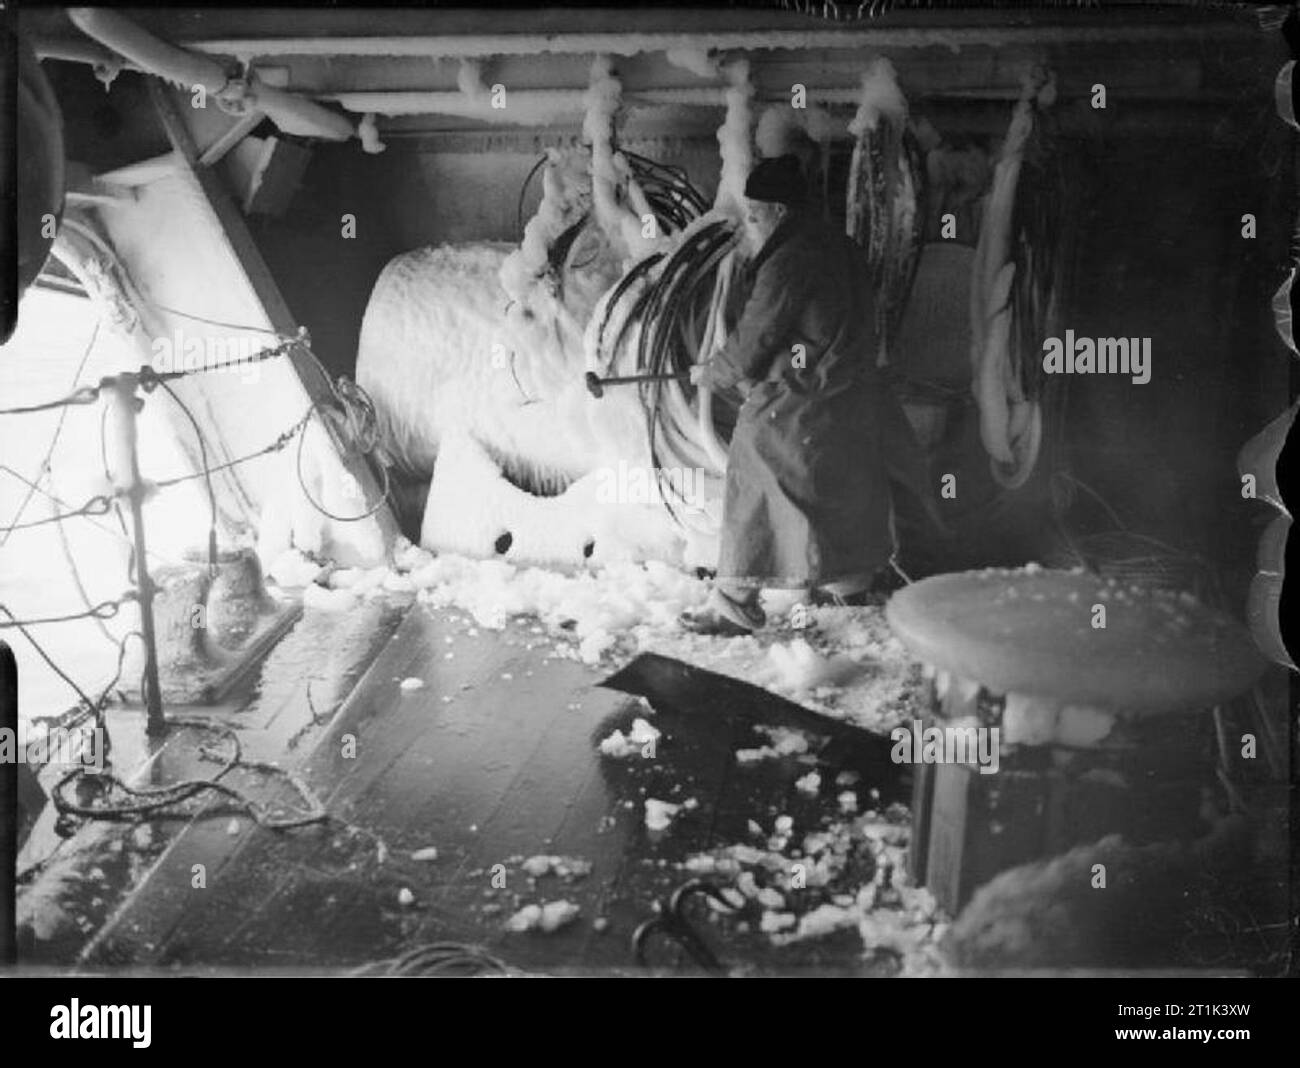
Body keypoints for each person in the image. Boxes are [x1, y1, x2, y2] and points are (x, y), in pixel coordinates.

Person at [681, 154, 920, 635]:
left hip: (799, 401)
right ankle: (851, 583)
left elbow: (755, 338)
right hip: (851, 400)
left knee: (751, 475)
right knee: (843, 489)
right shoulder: (842, 247)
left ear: (779, 212)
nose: (749, 224)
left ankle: (734, 602)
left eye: (754, 214)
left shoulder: (789, 259)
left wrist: (714, 372)